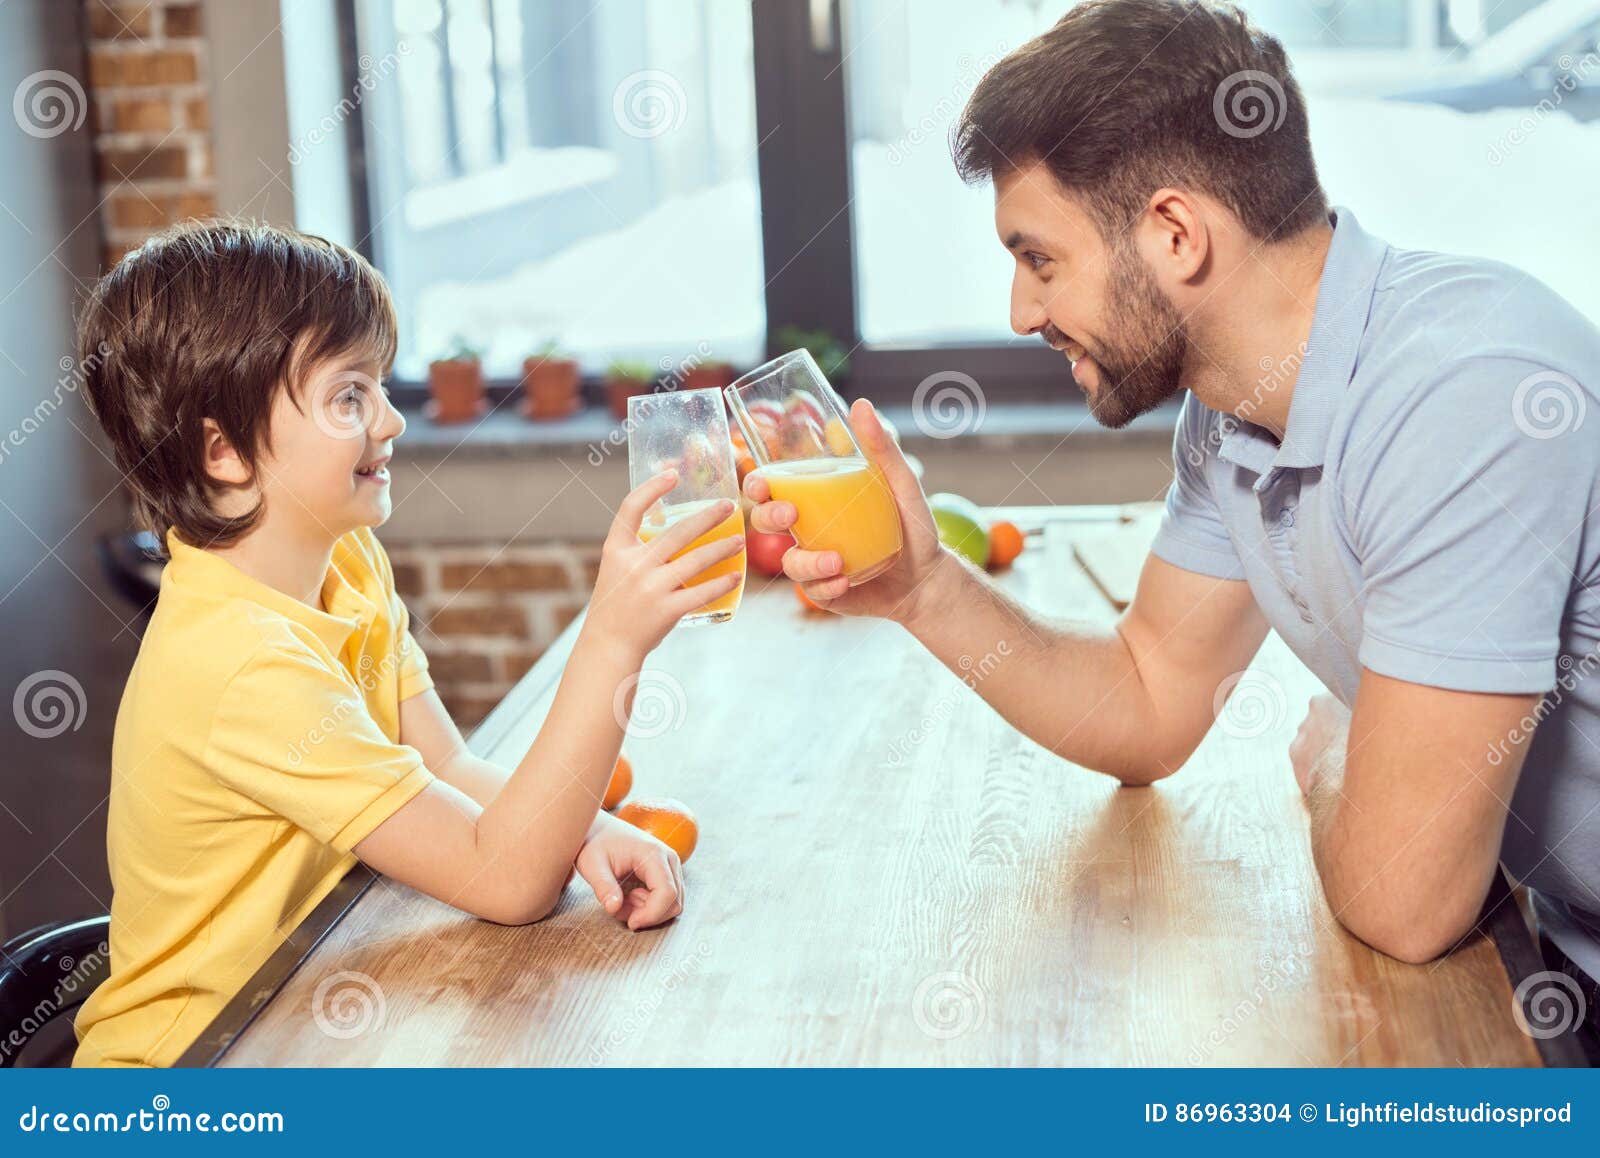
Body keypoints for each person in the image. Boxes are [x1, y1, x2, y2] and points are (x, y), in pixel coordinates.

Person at [746, 0, 1600, 1053]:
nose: (1019, 310)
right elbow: (1149, 700)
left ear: (1174, 234)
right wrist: (926, 590)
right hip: (1564, 947)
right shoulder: (1233, 410)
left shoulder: (1464, 395)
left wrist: (1336, 768)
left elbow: (1404, 900)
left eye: (1040, 259)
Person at [72, 222, 742, 1066]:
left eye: (379, 386)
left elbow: (447, 772)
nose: (390, 419)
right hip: (196, 1073)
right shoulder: (239, 660)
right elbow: (504, 882)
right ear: (226, 449)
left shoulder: (347, 561)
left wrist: (588, 828)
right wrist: (611, 641)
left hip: (311, 1008)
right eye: (349, 394)